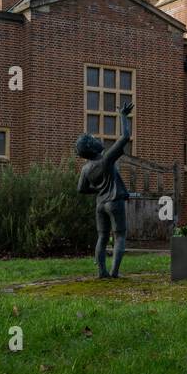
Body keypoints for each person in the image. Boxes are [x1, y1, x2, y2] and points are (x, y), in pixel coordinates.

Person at [76, 99, 134, 278]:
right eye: (93, 139)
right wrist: (123, 116)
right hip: (114, 202)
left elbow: (81, 189)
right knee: (120, 236)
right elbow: (125, 138)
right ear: (91, 147)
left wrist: (98, 191)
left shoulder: (86, 168)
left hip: (100, 204)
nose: (97, 139)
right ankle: (115, 272)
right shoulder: (105, 159)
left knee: (102, 237)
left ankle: (102, 272)